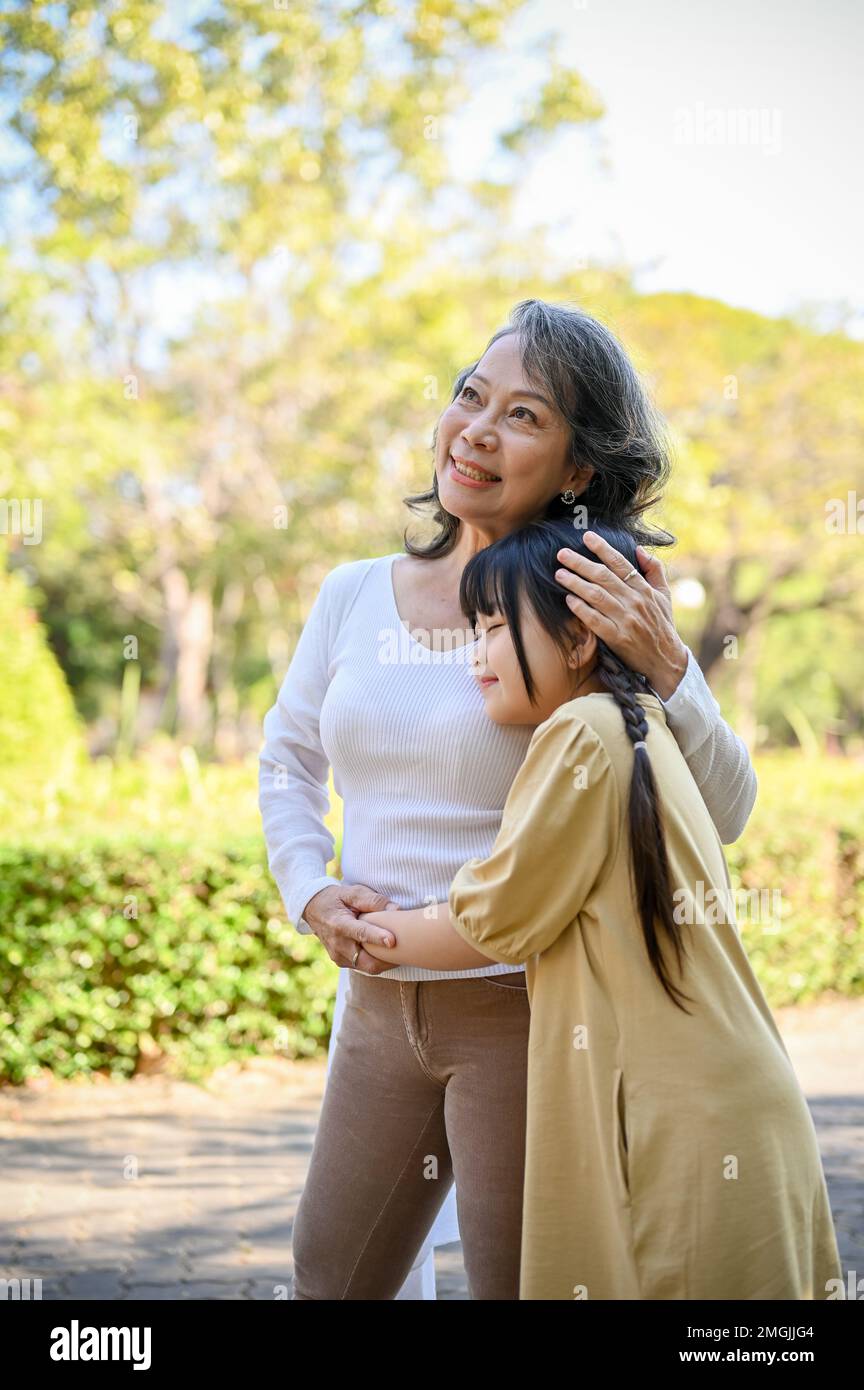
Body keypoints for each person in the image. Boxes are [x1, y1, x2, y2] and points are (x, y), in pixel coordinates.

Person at [258, 298, 758, 1299]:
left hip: (530, 1013)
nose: (477, 429)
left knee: (522, 1286)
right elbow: (287, 759)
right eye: (469, 396)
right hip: (374, 1004)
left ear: (578, 469)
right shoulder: (353, 592)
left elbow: (723, 808)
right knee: (328, 1275)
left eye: (524, 415)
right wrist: (309, 889)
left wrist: (668, 665)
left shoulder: (591, 603)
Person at [359, 517, 844, 1300]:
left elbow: (494, 919)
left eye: (491, 629)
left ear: (582, 641)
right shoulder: (641, 725)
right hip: (726, 1103)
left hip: (677, 1122)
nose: (474, 656)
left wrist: (369, 934)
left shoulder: (580, 736)